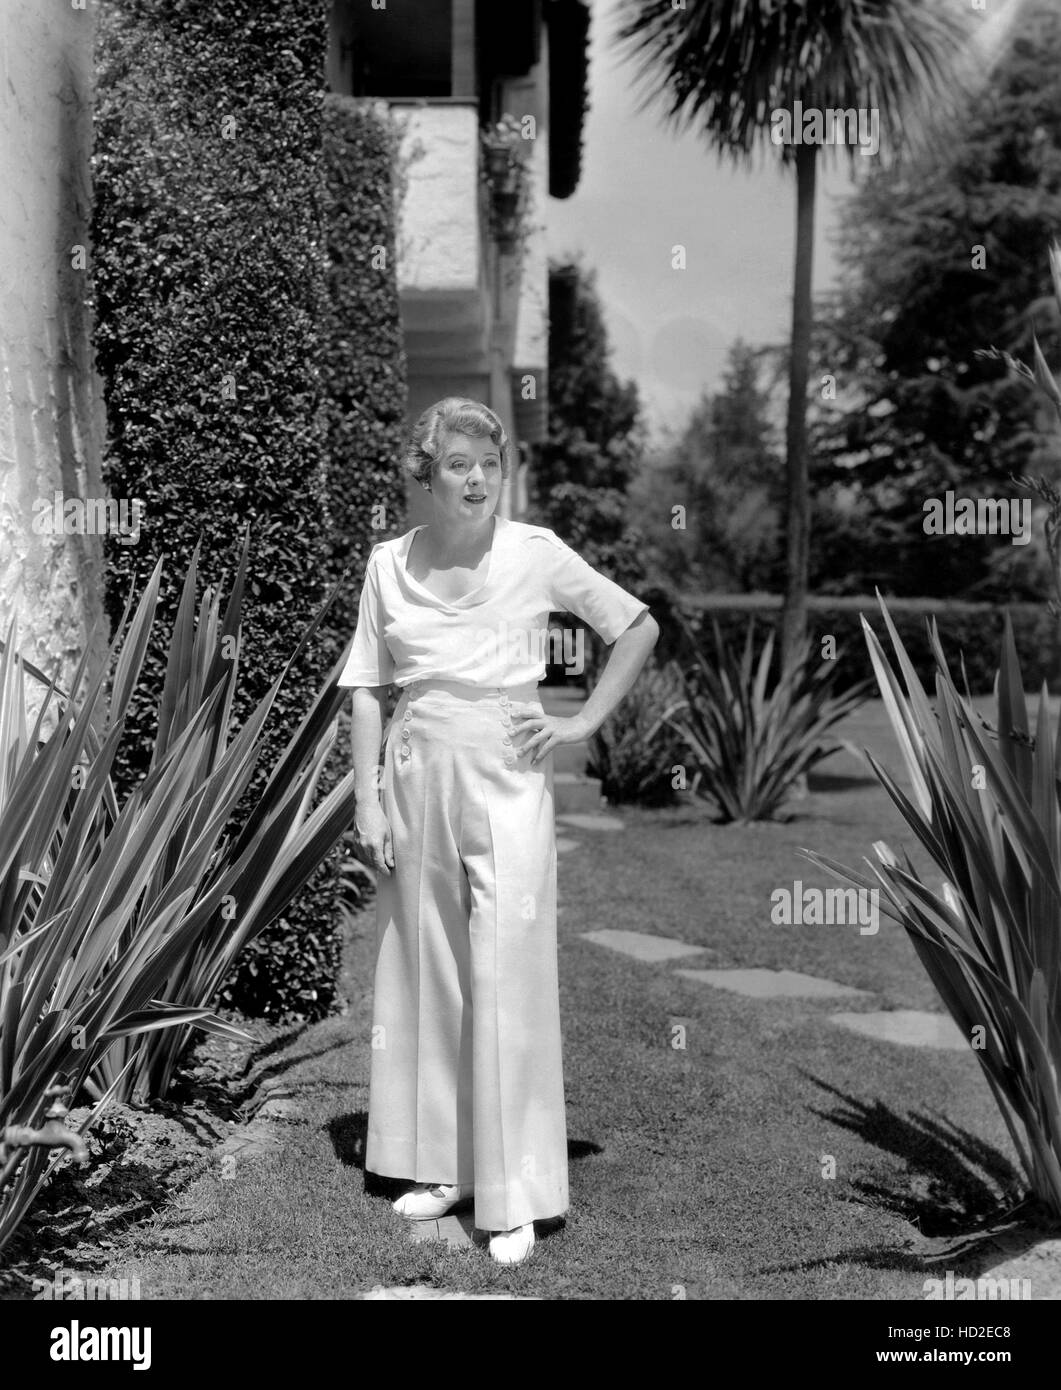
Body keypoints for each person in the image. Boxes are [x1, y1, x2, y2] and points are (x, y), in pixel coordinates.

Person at [341, 396, 658, 1264]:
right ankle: (441, 1164)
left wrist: (581, 721)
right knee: (427, 968)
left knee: (505, 970)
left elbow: (635, 625)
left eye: (489, 463)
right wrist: (366, 799)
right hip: (413, 776)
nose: (476, 479)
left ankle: (513, 1191)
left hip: (507, 777)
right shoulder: (385, 566)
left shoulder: (534, 552)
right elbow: (367, 686)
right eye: (457, 464)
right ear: (426, 474)